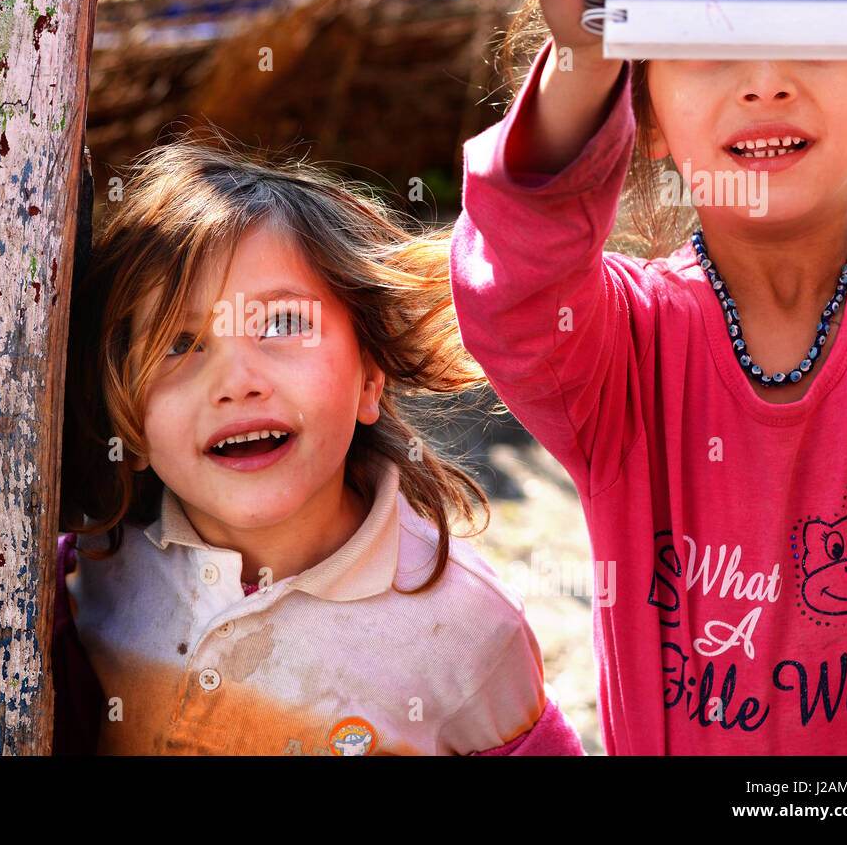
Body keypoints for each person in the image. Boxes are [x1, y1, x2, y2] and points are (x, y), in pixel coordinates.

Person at [449, 0, 847, 753]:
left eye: (815, 32)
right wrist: (584, 50)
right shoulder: (622, 353)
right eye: (710, 40)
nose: (766, 81)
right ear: (648, 117)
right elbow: (516, 292)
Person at [53, 136, 583, 755]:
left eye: (283, 324)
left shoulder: (469, 631)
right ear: (130, 421)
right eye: (180, 343)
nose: (237, 382)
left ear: (370, 378)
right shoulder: (88, 572)